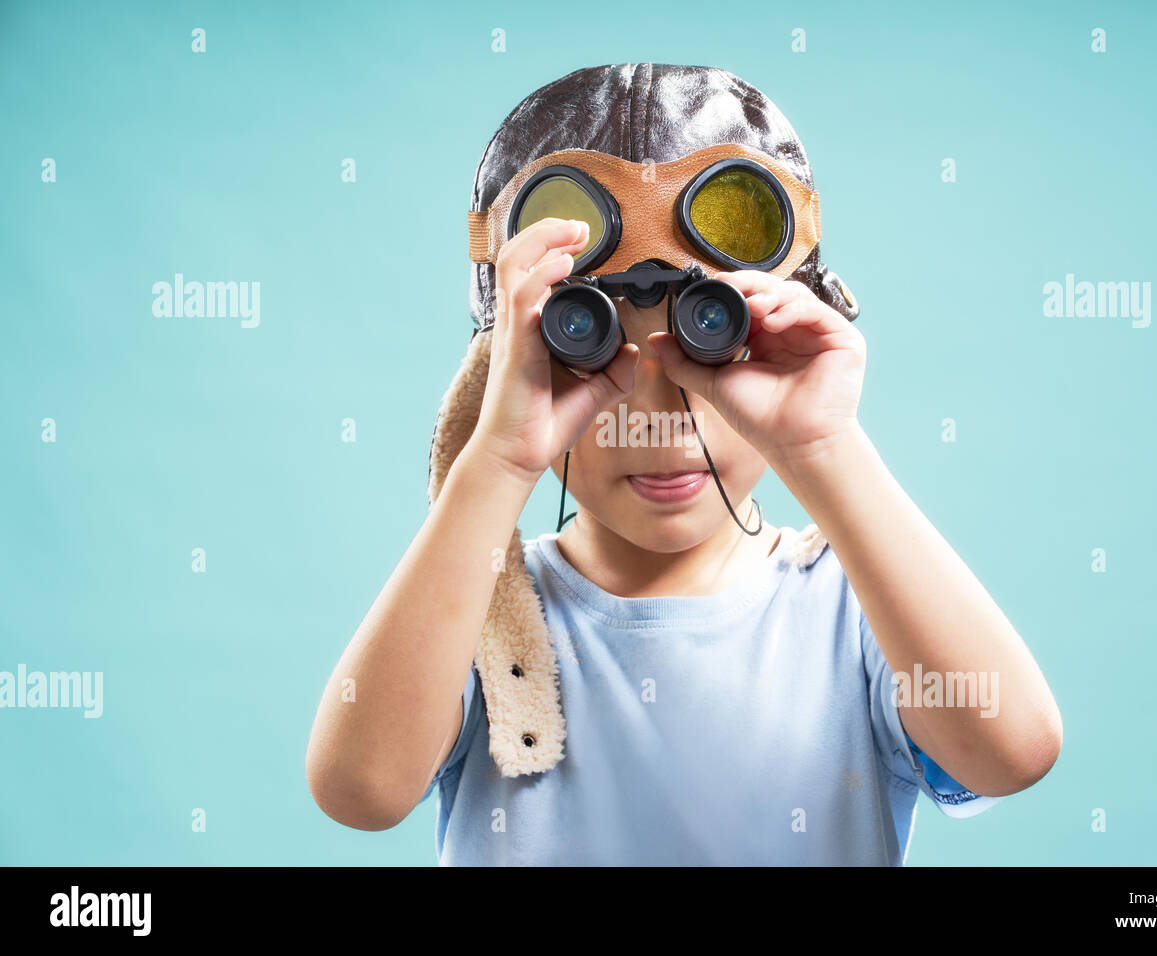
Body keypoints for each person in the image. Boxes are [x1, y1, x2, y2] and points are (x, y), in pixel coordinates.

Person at [306, 63, 1062, 865]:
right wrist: (496, 461)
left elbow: (1014, 752)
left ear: (782, 342)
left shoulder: (862, 611)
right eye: (597, 359)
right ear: (505, 374)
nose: (659, 422)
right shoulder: (482, 621)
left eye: (712, 346)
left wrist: (823, 448)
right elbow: (359, 790)